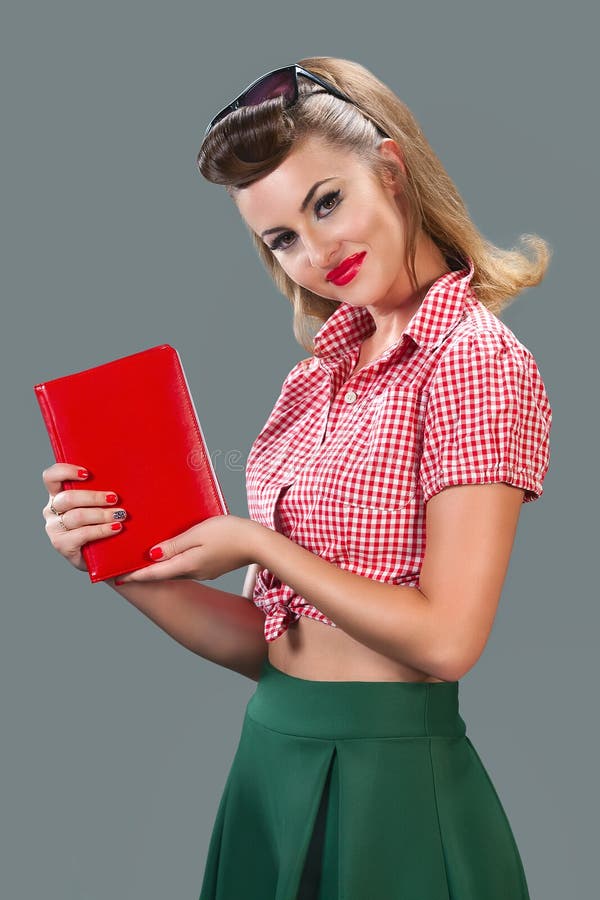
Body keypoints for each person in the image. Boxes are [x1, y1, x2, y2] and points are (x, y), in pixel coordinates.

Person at [41, 57, 553, 899]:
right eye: (281, 237)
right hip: (271, 758)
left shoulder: (475, 362)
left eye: (327, 203)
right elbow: (271, 647)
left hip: (393, 781)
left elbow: (448, 639)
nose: (315, 253)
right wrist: (120, 565)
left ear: (390, 170)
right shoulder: (315, 376)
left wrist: (254, 541)